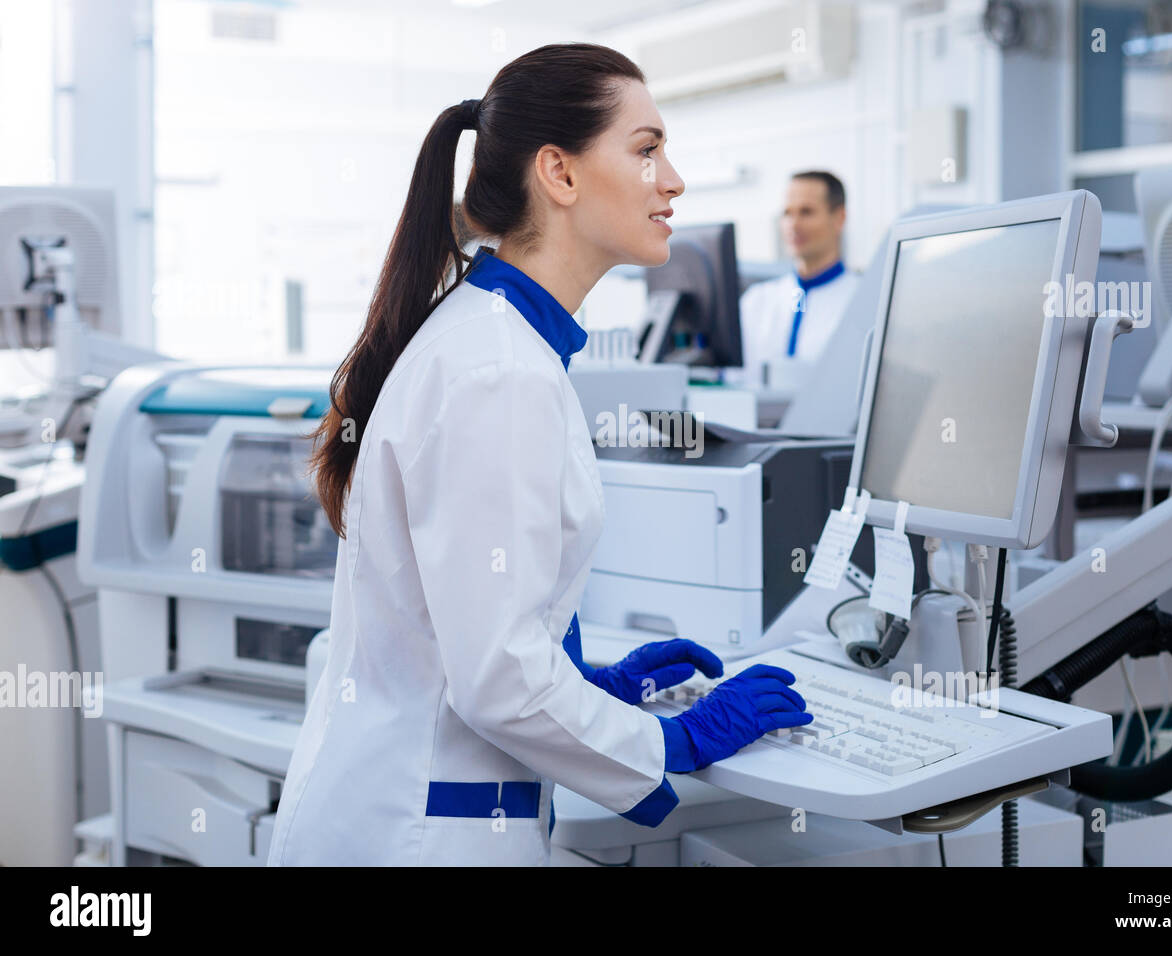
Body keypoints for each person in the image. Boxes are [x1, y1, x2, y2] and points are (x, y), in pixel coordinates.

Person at [267, 43, 811, 867]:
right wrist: (671, 741)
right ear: (558, 174)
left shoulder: (494, 340)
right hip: (419, 835)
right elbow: (497, 677)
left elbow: (474, 636)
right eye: (646, 149)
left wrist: (593, 688)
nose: (673, 180)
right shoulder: (499, 370)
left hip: (401, 808)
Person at [739, 171, 860, 388]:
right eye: (787, 213)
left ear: (839, 218)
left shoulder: (863, 300)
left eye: (806, 212)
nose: (793, 225)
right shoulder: (756, 300)